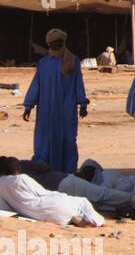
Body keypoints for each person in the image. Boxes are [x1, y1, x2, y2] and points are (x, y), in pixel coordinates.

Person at [23, 29, 88, 174]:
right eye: (55, 42)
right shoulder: (43, 64)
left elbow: (78, 84)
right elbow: (36, 85)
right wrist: (28, 106)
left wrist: (82, 104)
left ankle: (68, 173)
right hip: (46, 111)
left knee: (67, 142)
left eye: (60, 42)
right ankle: (45, 171)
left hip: (66, 110)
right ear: (49, 44)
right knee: (44, 142)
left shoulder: (73, 61)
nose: (58, 44)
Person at [0, 156, 105, 228]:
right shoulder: (22, 178)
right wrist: (62, 196)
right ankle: (97, 221)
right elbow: (43, 193)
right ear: (19, 169)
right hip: (54, 207)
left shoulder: (1, 183)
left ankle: (74, 217)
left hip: (40, 216)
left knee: (70, 207)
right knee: (82, 202)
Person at [18, 158, 135, 211]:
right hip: (62, 182)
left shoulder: (10, 182)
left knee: (95, 202)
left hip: (54, 194)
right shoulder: (20, 165)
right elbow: (46, 167)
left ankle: (133, 203)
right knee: (101, 194)